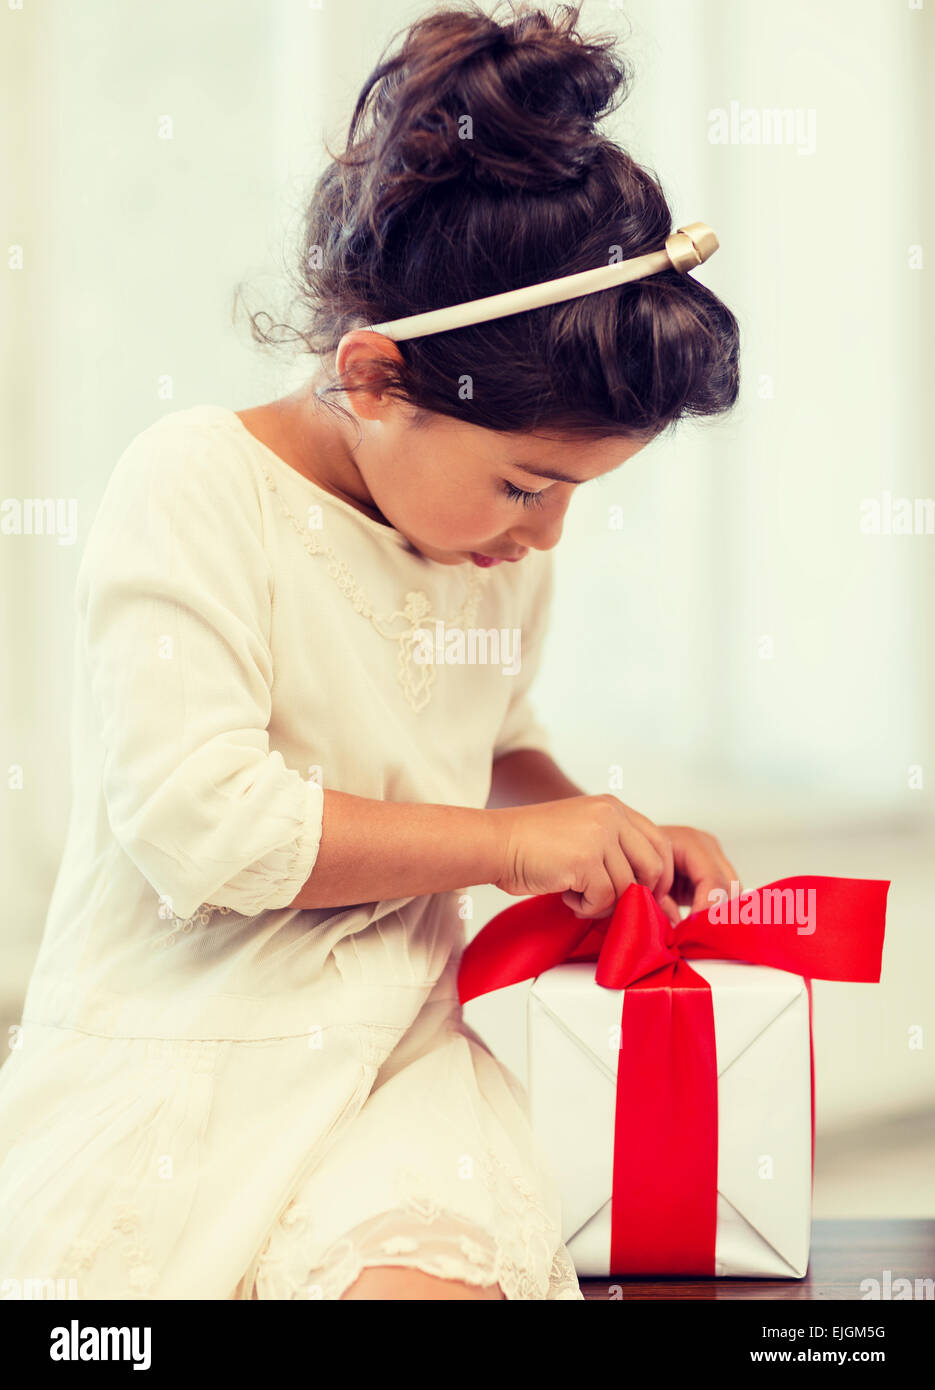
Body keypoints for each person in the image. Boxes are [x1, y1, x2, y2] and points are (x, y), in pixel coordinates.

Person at [0, 1, 742, 1301]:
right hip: (185, 1048)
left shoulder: (486, 556)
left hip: (401, 1054)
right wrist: (515, 848)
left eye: (578, 492)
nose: (548, 532)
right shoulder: (192, 488)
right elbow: (206, 827)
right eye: (525, 485)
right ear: (379, 378)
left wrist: (587, 823)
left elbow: (485, 744)